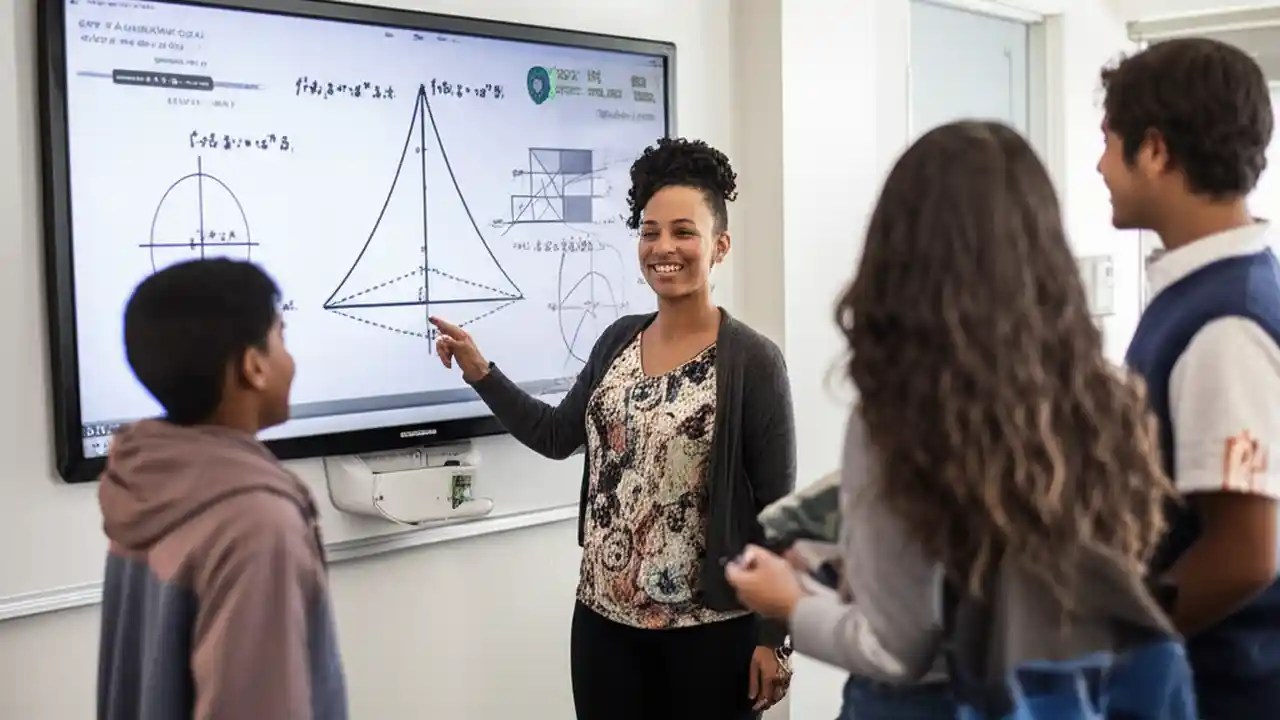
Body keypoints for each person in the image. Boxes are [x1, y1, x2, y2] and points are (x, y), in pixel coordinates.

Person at [725, 121, 1181, 719]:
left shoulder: (898, 419)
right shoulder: (1102, 403)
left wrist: (789, 601)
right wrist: (840, 564)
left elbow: (897, 651)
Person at [430, 137, 795, 720]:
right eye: (650, 232)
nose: (663, 248)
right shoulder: (617, 340)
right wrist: (483, 373)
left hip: (709, 635)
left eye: (684, 231)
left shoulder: (753, 360)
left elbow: (780, 511)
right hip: (603, 627)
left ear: (719, 245)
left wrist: (774, 637)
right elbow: (556, 436)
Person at [1098, 37, 1280, 718]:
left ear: (1155, 150)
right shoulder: (1203, 293)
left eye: (1108, 142)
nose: (1099, 165)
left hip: (1222, 690)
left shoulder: (1226, 323)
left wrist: (1109, 638)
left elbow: (1244, 555)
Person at [97, 258, 347, 720]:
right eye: (281, 338)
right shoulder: (258, 525)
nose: (290, 359)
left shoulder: (145, 484)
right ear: (253, 366)